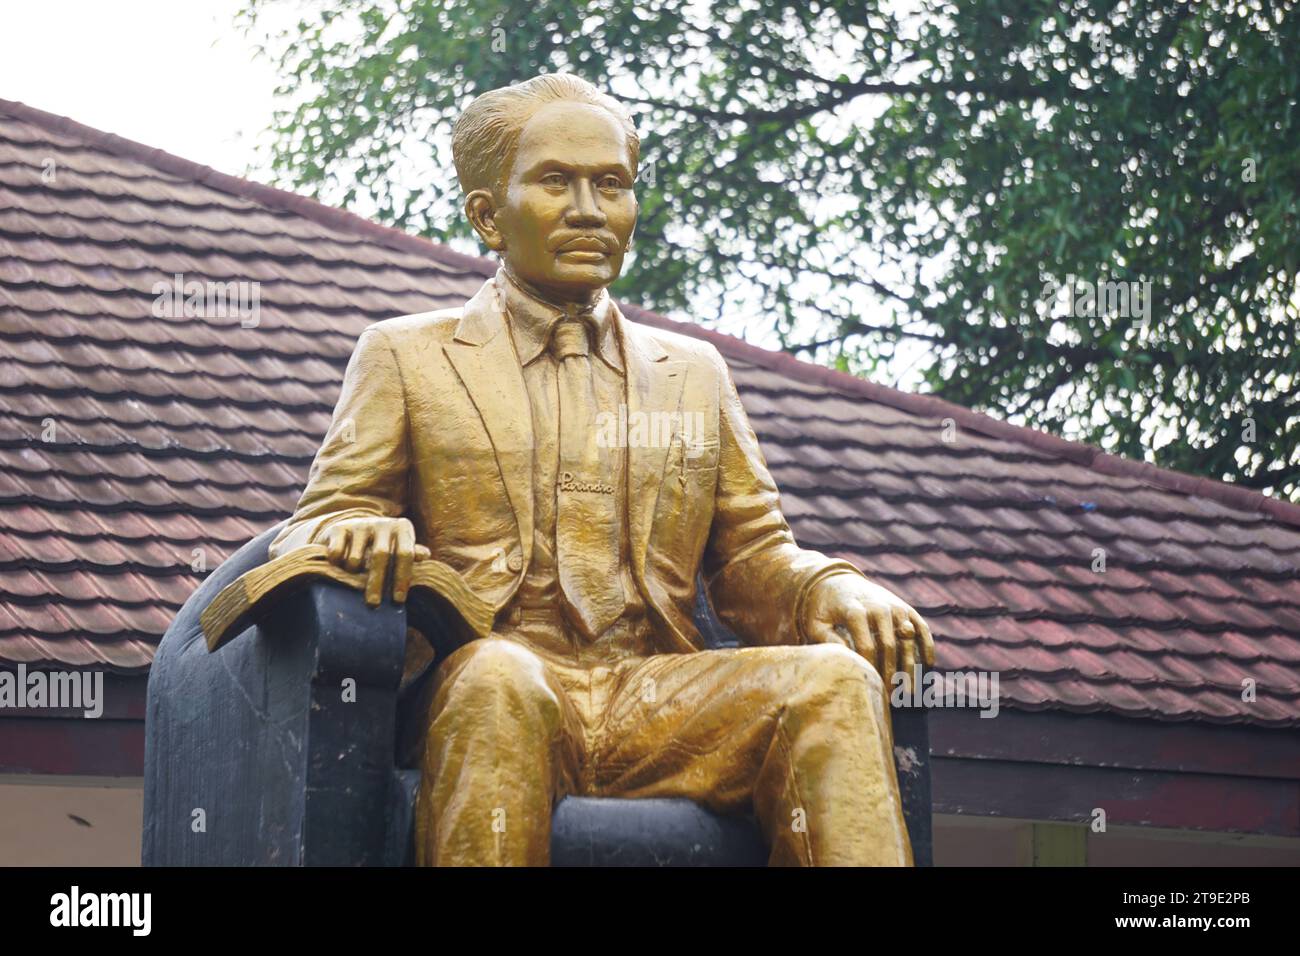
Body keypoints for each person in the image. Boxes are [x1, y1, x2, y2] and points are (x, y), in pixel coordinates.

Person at [271, 73, 933, 866]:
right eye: (556, 182)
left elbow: (753, 555)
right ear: (488, 214)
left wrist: (830, 584)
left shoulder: (695, 373)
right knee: (498, 679)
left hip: (655, 696)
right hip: (491, 684)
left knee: (832, 682)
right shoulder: (406, 356)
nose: (590, 209)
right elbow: (319, 520)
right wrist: (357, 529)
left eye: (611, 184)